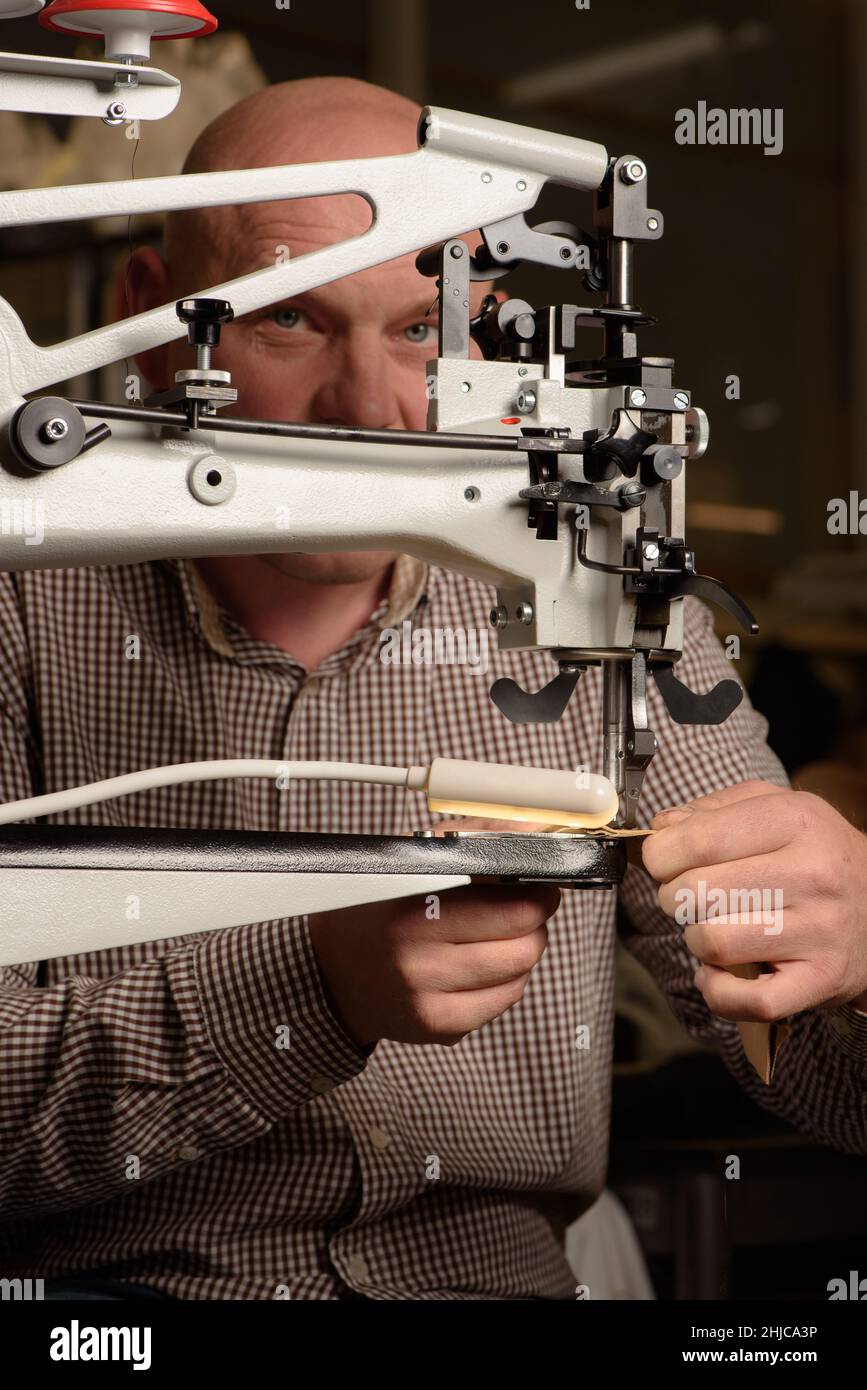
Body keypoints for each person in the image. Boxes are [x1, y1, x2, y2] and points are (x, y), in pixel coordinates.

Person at [0, 77, 864, 1302]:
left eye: (421, 330)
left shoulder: (592, 575)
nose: (371, 409)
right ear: (145, 317)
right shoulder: (23, 607)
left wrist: (857, 955)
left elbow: (822, 1083)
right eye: (287, 319)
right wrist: (311, 987)